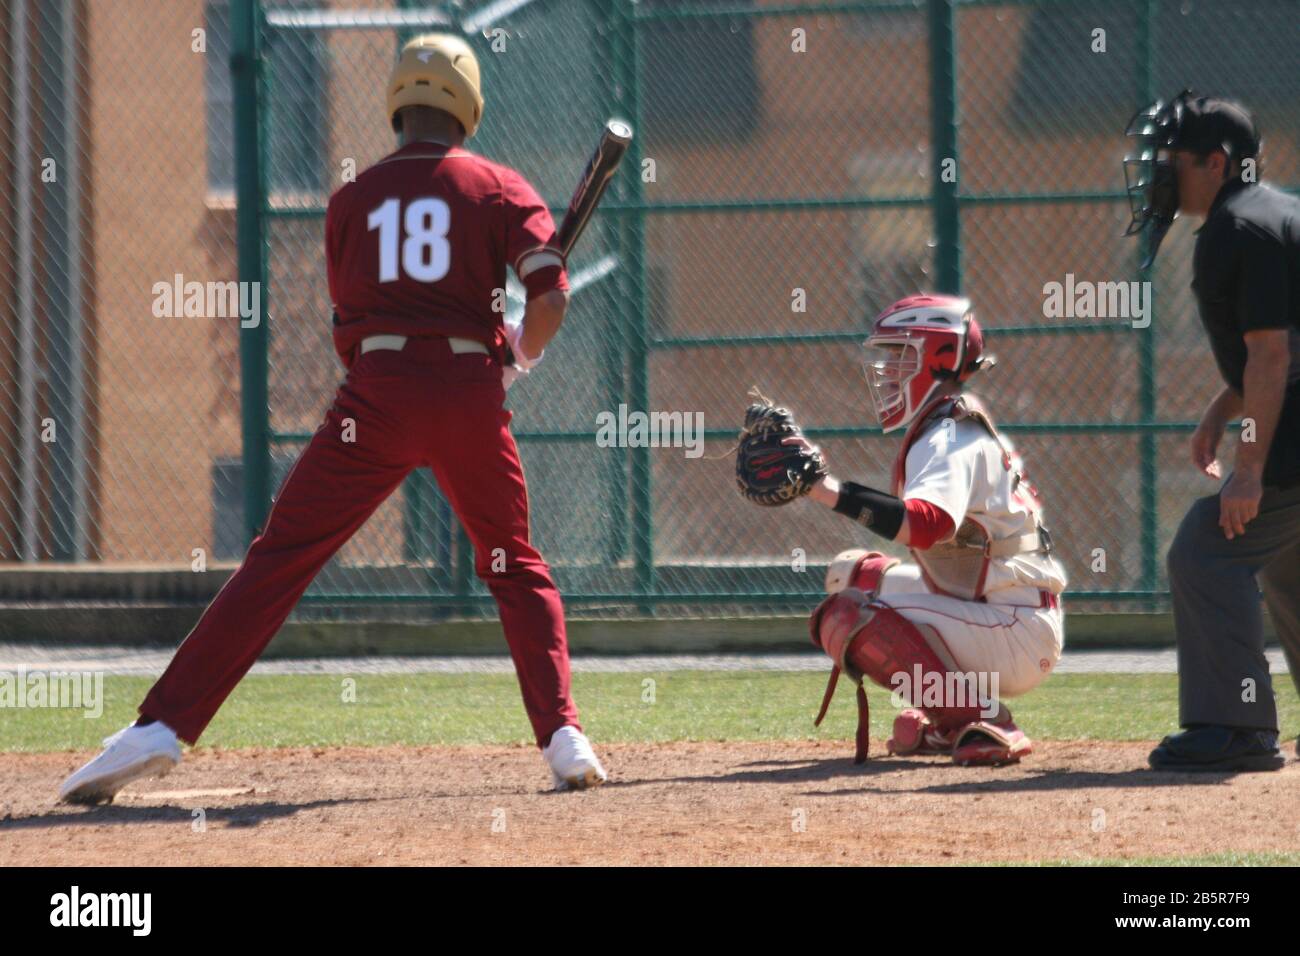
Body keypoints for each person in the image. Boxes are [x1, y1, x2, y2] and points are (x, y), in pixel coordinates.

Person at [59, 33, 607, 804]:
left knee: (279, 558)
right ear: (469, 106)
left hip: (375, 396)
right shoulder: (502, 187)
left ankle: (160, 728)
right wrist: (517, 351)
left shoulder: (350, 199)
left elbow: (349, 323)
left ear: (398, 107)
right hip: (467, 395)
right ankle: (562, 737)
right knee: (514, 564)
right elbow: (548, 297)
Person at [738, 294, 1067, 765]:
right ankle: (953, 715)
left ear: (937, 358)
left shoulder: (948, 433)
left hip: (1015, 629)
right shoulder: (950, 422)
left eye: (899, 355)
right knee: (850, 575)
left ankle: (984, 719)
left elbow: (927, 525)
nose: (887, 370)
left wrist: (821, 488)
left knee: (847, 613)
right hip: (1006, 607)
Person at [1125, 91, 1300, 771]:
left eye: (1173, 161)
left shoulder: (1236, 230)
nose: (1160, 174)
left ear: (1217, 163)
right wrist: (1221, 411)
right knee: (1287, 565)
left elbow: (1273, 353)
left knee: (1206, 550)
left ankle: (1234, 726)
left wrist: (1250, 468)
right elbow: (1283, 345)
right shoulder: (1279, 212)